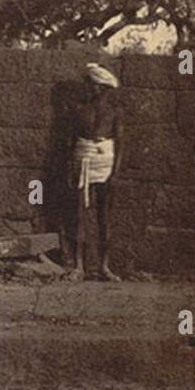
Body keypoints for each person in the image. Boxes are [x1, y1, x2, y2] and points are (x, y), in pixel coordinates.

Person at [68, 62, 123, 280]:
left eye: (92, 85)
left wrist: (115, 173)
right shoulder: (80, 110)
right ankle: (78, 266)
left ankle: (104, 266)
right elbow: (70, 142)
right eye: (89, 85)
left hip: (105, 161)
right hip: (84, 159)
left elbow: (120, 144)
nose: (89, 89)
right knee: (80, 213)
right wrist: (70, 169)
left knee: (104, 216)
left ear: (101, 87)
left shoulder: (114, 113)